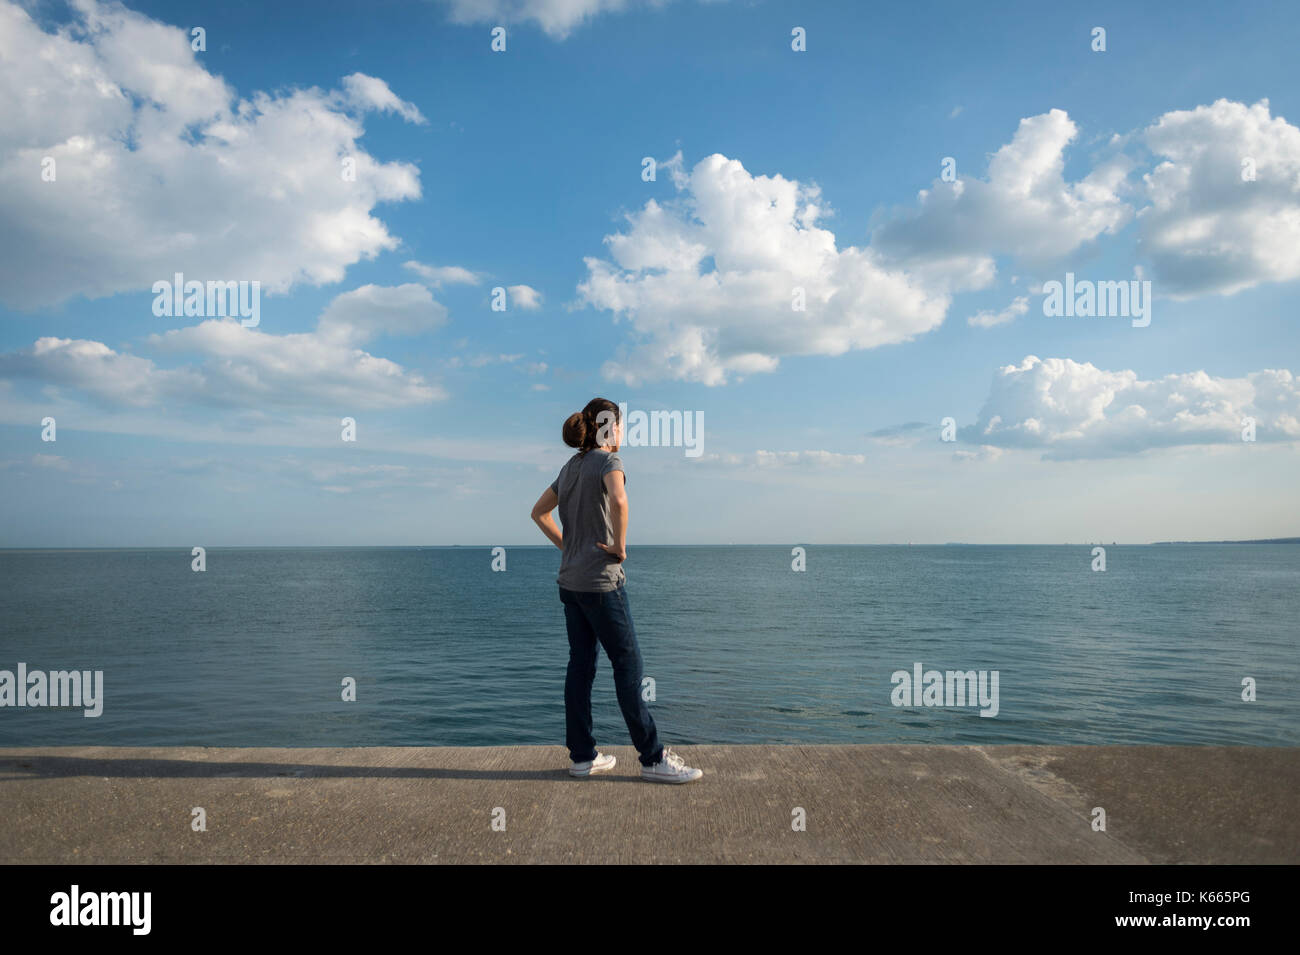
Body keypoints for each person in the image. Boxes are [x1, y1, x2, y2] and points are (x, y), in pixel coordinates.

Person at [530, 398, 703, 784]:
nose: (623, 436)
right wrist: (620, 547)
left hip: (570, 584)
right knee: (628, 667)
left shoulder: (569, 468)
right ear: (609, 428)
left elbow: (538, 513)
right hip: (602, 584)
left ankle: (582, 756)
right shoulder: (610, 463)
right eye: (621, 428)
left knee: (581, 667)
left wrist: (568, 548)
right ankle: (653, 758)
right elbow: (620, 500)